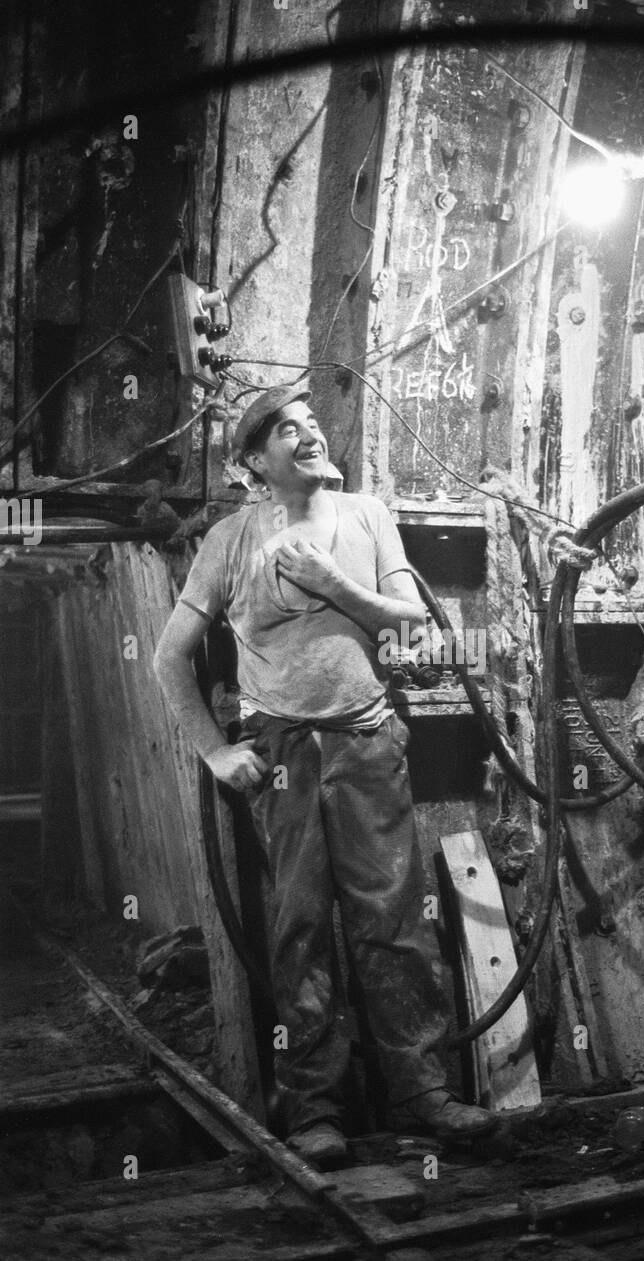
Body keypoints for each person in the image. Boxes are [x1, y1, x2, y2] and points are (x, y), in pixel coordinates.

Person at [154, 383, 497, 1163]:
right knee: (299, 930)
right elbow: (170, 657)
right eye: (283, 430)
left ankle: (423, 1094)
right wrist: (216, 750)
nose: (306, 435)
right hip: (282, 755)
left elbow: (410, 618)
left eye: (309, 423)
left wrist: (332, 584)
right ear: (252, 464)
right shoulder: (230, 541)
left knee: (395, 923)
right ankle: (315, 1112)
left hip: (368, 741)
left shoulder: (367, 516)